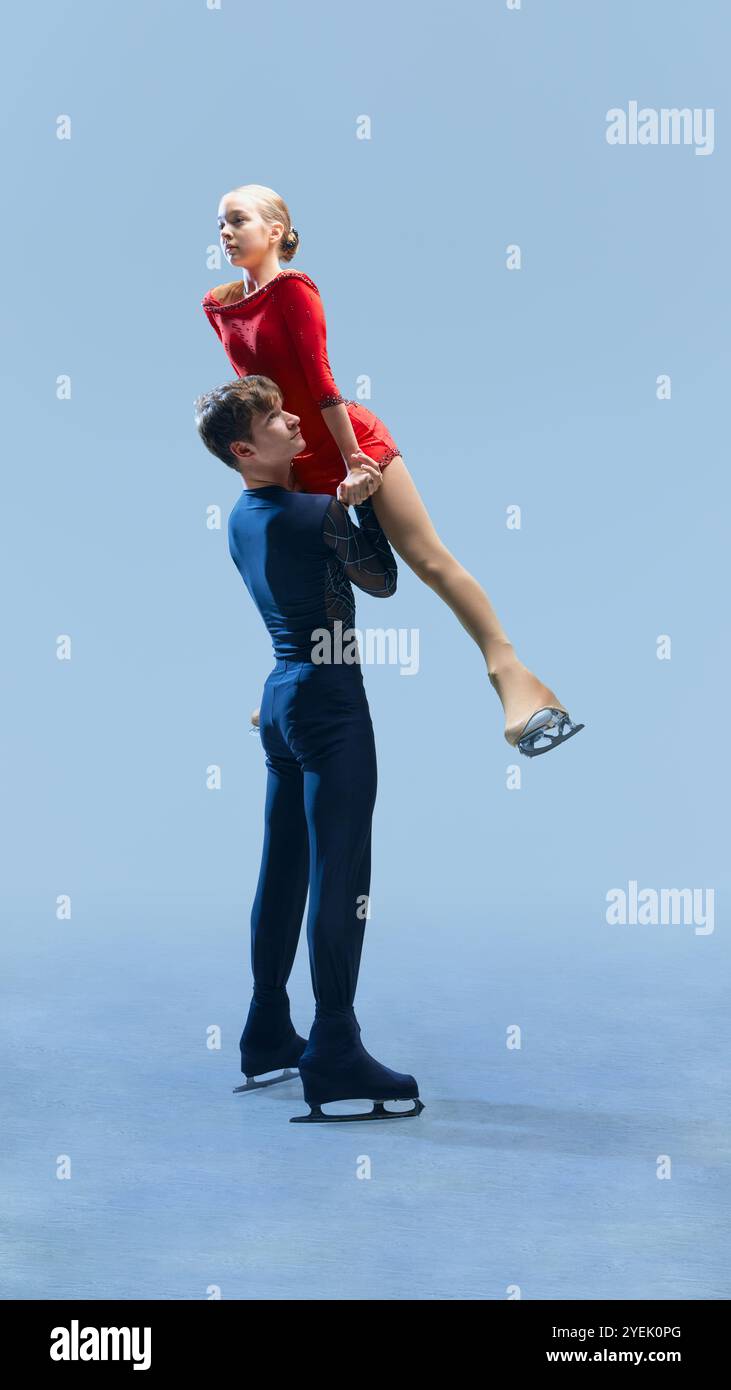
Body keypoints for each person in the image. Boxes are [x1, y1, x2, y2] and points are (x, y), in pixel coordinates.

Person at [201, 183, 584, 758]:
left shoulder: (295, 290)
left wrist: (354, 458)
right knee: (300, 576)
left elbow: (320, 381)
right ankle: (290, 679)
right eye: (219, 225)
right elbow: (259, 398)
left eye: (237, 220)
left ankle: (512, 677)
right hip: (294, 449)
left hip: (348, 438)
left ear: (276, 230)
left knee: (426, 558)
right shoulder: (219, 305)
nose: (225, 233)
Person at [194, 373, 424, 1124]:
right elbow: (383, 582)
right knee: (341, 869)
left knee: (283, 861)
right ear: (242, 448)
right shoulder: (310, 513)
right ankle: (333, 1046)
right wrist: (356, 504)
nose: (295, 421)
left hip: (279, 697)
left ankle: (267, 1029)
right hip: (328, 701)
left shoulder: (239, 517)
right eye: (274, 420)